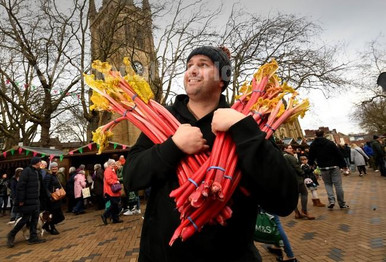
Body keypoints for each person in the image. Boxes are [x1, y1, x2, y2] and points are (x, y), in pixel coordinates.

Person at [122, 46, 298, 261]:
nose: (192, 70)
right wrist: (173, 146)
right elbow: (131, 178)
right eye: (189, 66)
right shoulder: (160, 120)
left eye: (203, 65)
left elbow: (284, 200)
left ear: (222, 79)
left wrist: (243, 129)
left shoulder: (244, 123)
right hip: (164, 255)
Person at [6, 157, 47, 247]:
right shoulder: (27, 171)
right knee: (24, 219)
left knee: (35, 219)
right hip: (28, 201)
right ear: (36, 162)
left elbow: (41, 186)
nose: (41, 163)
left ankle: (33, 237)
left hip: (36, 200)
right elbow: (20, 187)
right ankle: (11, 235)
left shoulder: (37, 172)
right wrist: (21, 200)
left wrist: (45, 197)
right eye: (40, 162)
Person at [308, 130, 350, 209]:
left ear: (315, 135)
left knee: (328, 184)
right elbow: (338, 154)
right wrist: (344, 165)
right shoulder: (330, 143)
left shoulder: (313, 144)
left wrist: (311, 164)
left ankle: (331, 201)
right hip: (334, 166)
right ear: (324, 134)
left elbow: (311, 156)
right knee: (338, 185)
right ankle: (342, 203)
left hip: (323, 167)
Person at [283, 145, 315, 220]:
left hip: (288, 180)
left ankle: (297, 213)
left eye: (291, 148)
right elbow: (297, 167)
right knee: (304, 193)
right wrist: (303, 173)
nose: (292, 149)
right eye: (290, 148)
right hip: (296, 179)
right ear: (285, 149)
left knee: (293, 196)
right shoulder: (290, 157)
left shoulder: (281, 156)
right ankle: (304, 211)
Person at [43, 162, 65, 235]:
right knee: (53, 214)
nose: (54, 168)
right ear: (50, 168)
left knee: (60, 216)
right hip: (52, 199)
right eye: (53, 167)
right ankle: (52, 228)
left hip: (57, 198)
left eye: (56, 167)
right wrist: (49, 195)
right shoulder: (48, 176)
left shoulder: (55, 175)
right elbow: (45, 187)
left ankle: (46, 225)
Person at [101, 159, 122, 224]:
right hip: (110, 191)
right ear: (110, 164)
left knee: (115, 205)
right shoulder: (108, 170)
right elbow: (108, 180)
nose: (114, 164)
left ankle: (115, 219)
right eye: (113, 163)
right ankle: (105, 215)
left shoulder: (111, 170)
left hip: (113, 191)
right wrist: (116, 181)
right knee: (114, 205)